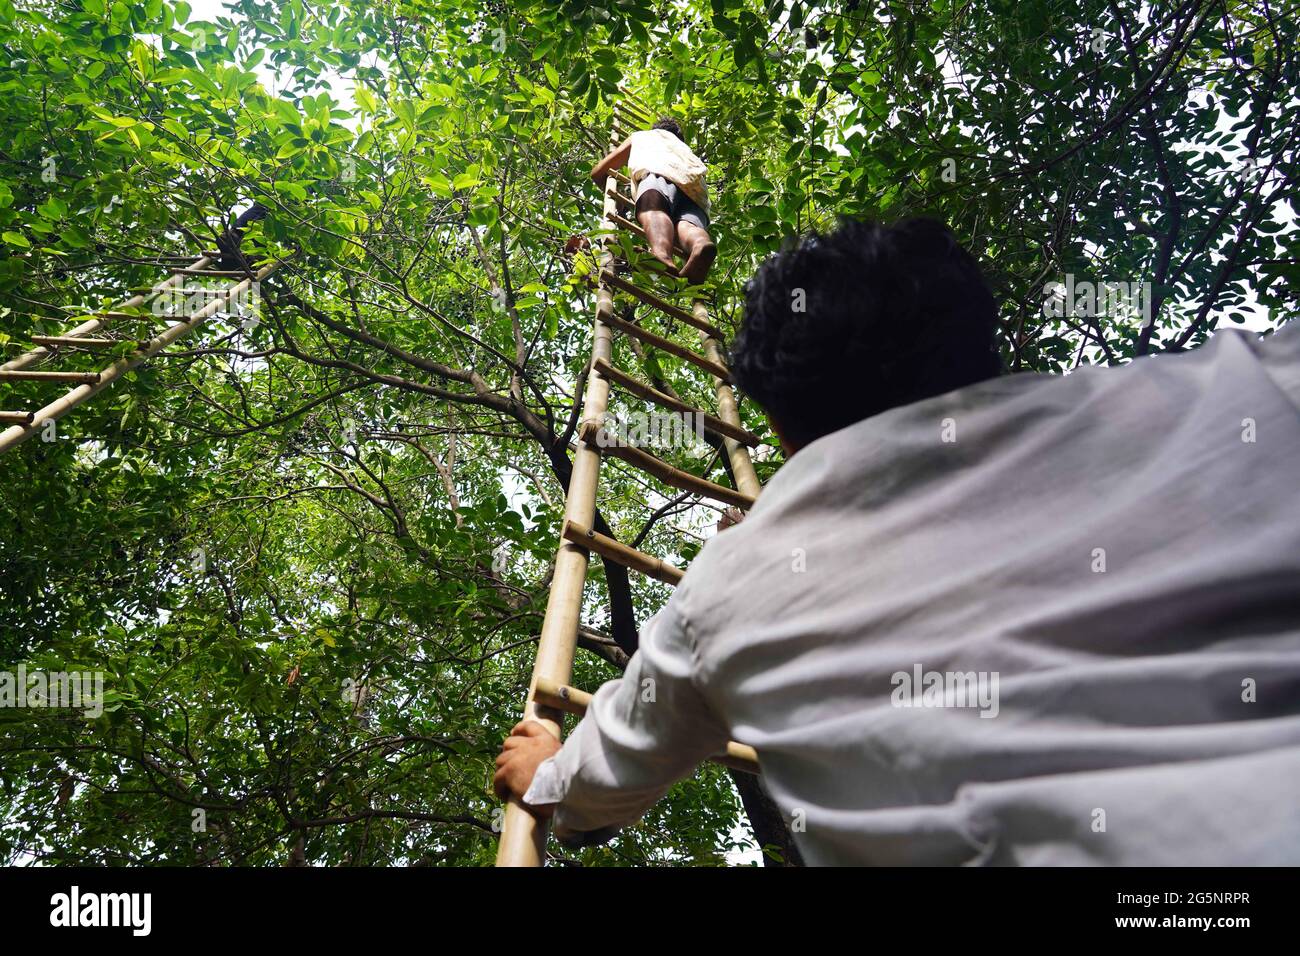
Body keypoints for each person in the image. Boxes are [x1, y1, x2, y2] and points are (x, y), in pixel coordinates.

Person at [495, 217, 1300, 865]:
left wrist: (551, 779)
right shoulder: (1248, 384)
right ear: (986, 341)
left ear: (772, 421)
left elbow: (596, 782)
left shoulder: (729, 588)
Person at [590, 117, 716, 284]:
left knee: (654, 211)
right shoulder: (685, 150)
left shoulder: (643, 136)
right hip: (696, 193)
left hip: (659, 173)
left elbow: (598, 172)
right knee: (686, 226)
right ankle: (701, 244)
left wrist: (618, 201)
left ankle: (662, 255)